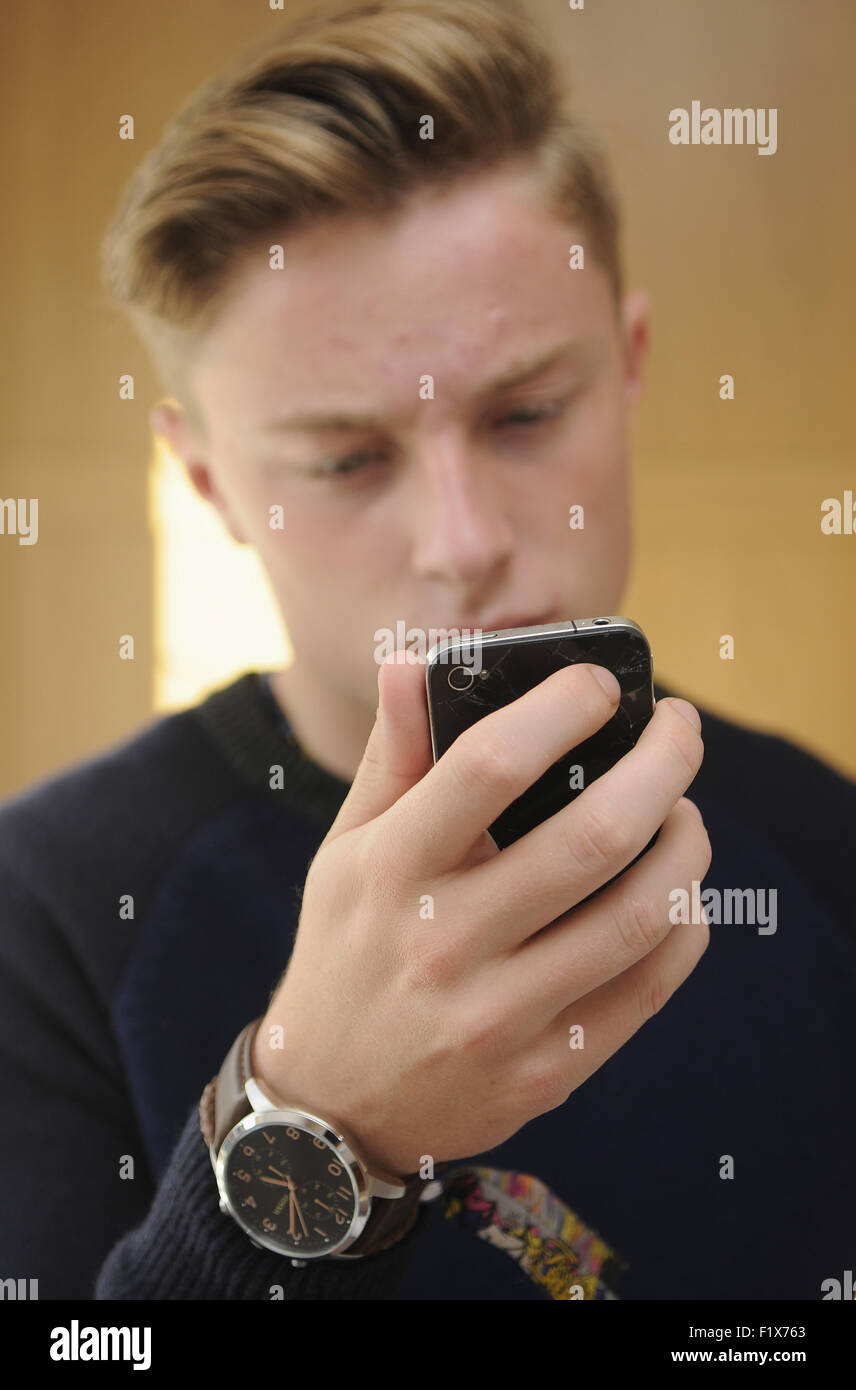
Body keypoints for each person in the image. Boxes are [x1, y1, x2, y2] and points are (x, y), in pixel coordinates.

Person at [1, 0, 853, 1302]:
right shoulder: (42, 912)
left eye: (525, 412)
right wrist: (314, 1122)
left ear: (627, 369)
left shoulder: (828, 844)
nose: (462, 544)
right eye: (345, 459)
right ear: (210, 480)